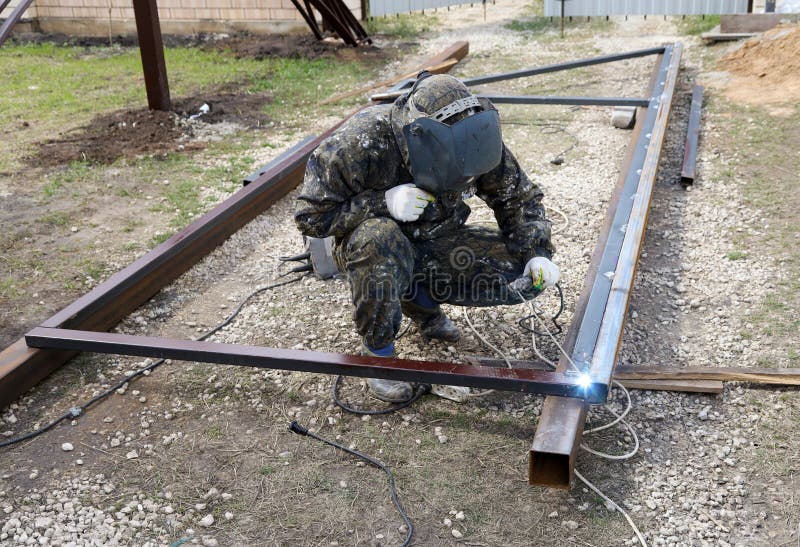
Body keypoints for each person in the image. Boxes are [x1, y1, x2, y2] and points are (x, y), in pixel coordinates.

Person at [295, 72, 559, 403]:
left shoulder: (473, 136)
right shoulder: (360, 143)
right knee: (377, 238)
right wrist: (383, 203)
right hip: (375, 250)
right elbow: (310, 218)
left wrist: (536, 252)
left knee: (518, 270)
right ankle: (378, 355)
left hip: (437, 239)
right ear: (418, 137)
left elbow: (517, 198)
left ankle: (420, 302)